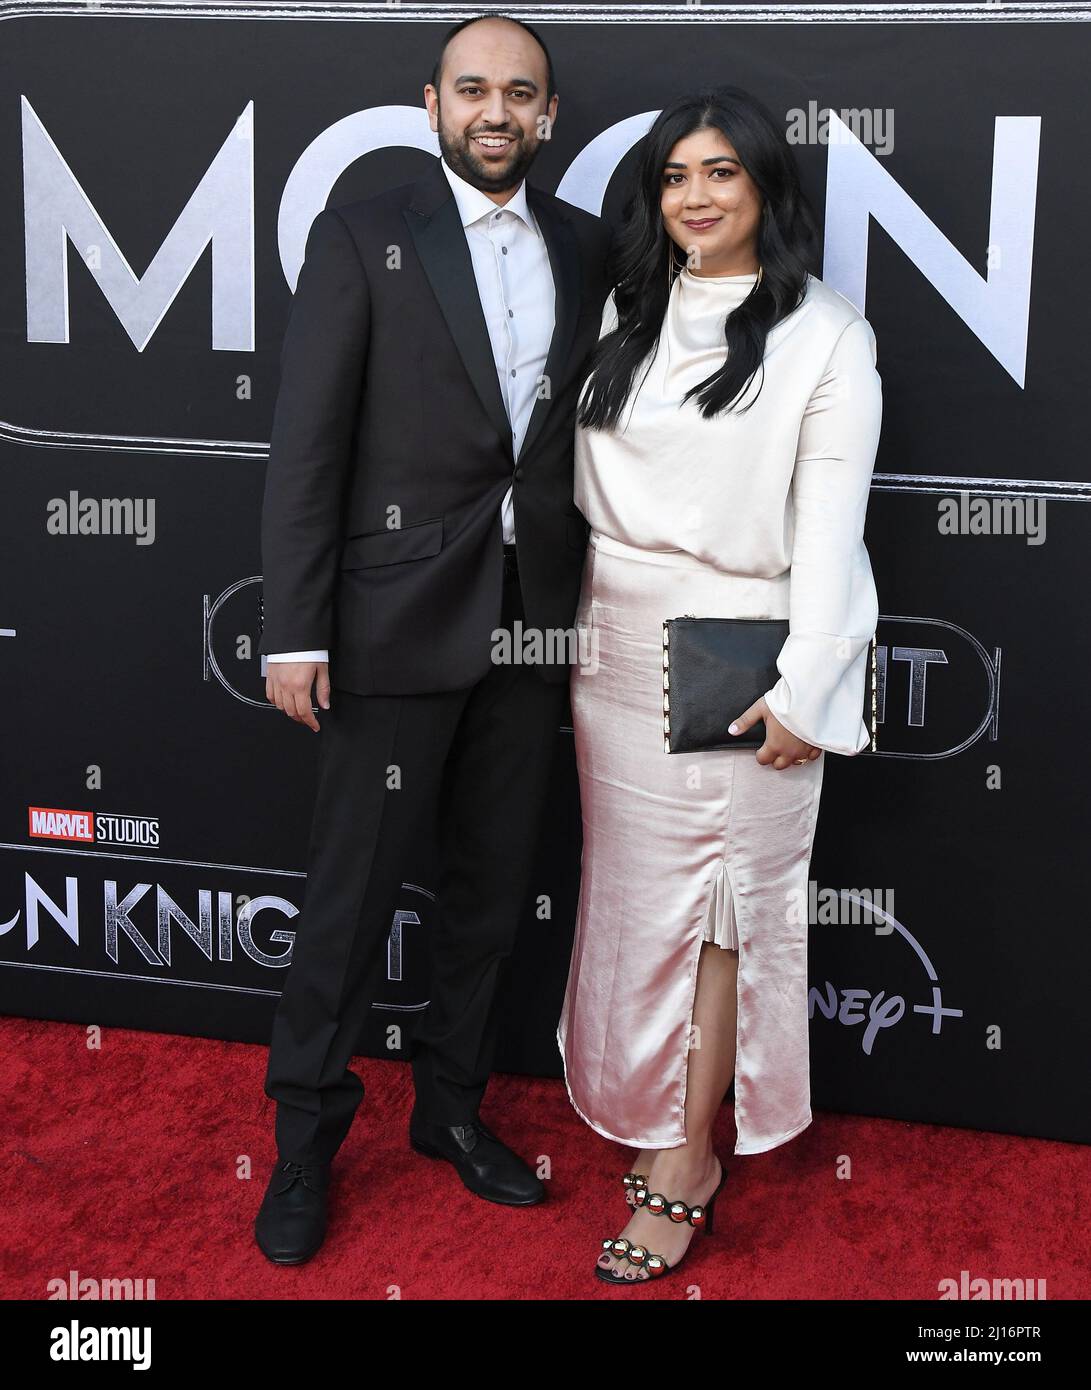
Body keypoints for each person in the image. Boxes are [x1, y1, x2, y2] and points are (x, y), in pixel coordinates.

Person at [255, 13, 610, 1264]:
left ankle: (449, 1113)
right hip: (391, 622)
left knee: (488, 891)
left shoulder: (586, 248)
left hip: (531, 625)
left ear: (549, 114)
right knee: (348, 904)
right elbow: (307, 446)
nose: (495, 110)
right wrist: (292, 627)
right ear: (432, 103)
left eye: (519, 91)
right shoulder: (363, 235)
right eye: (473, 89)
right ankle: (302, 1147)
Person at [556, 87, 883, 1286]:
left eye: (721, 174)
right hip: (609, 649)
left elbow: (831, 529)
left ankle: (687, 1159)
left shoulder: (823, 334)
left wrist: (808, 684)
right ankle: (651, 1113)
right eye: (675, 176)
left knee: (724, 914)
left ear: (762, 191)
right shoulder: (623, 311)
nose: (695, 196)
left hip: (741, 661)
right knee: (637, 907)